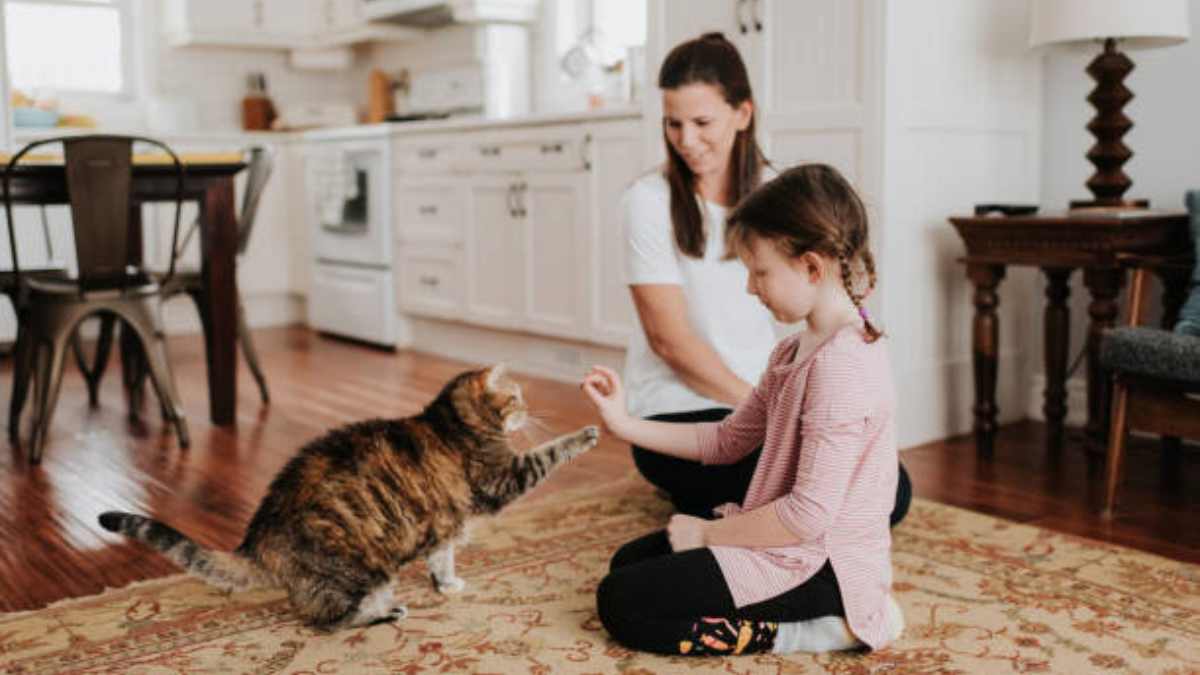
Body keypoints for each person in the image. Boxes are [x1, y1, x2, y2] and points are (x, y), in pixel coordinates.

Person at [583, 164, 904, 655]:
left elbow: (808, 516)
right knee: (628, 564)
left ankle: (814, 630)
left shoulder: (841, 367)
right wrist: (624, 423)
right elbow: (726, 440)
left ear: (811, 268)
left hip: (823, 567)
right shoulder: (792, 351)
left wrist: (708, 535)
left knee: (622, 603)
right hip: (790, 544)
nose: (751, 288)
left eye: (760, 272)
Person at [620, 32, 911, 523]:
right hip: (680, 412)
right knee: (816, 483)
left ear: (743, 114)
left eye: (702, 122)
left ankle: (741, 510)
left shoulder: (777, 195)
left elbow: (826, 295)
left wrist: (802, 408)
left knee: (892, 487)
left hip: (763, 401)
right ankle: (746, 514)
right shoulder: (647, 201)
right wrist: (772, 414)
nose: (686, 140)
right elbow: (670, 341)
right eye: (673, 124)